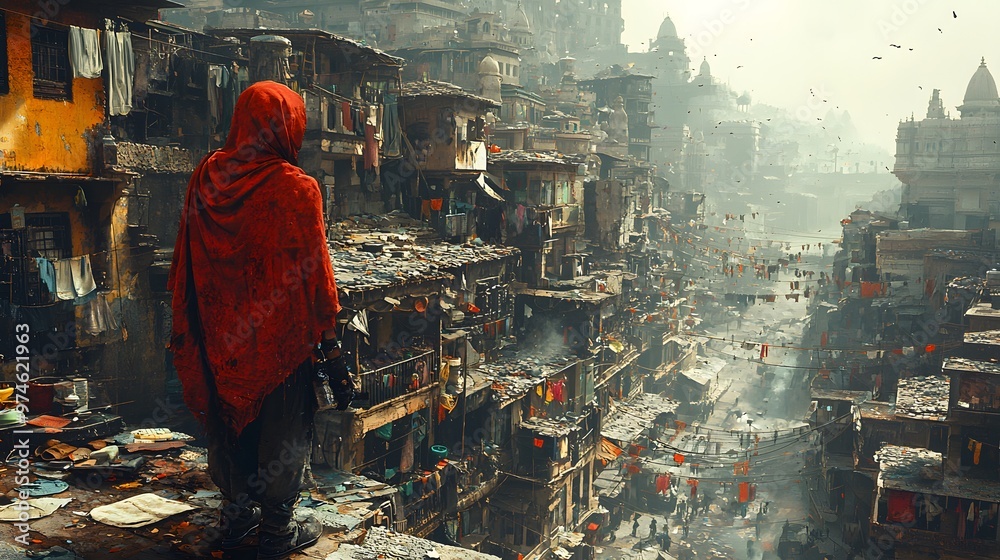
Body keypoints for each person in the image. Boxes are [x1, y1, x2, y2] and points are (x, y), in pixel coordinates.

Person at [170, 81, 345, 559]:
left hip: (218, 338)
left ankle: (236, 514)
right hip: (279, 343)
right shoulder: (298, 189)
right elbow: (317, 280)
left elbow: (186, 257)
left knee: (230, 424)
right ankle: (277, 531)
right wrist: (332, 350)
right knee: (283, 428)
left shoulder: (206, 175)